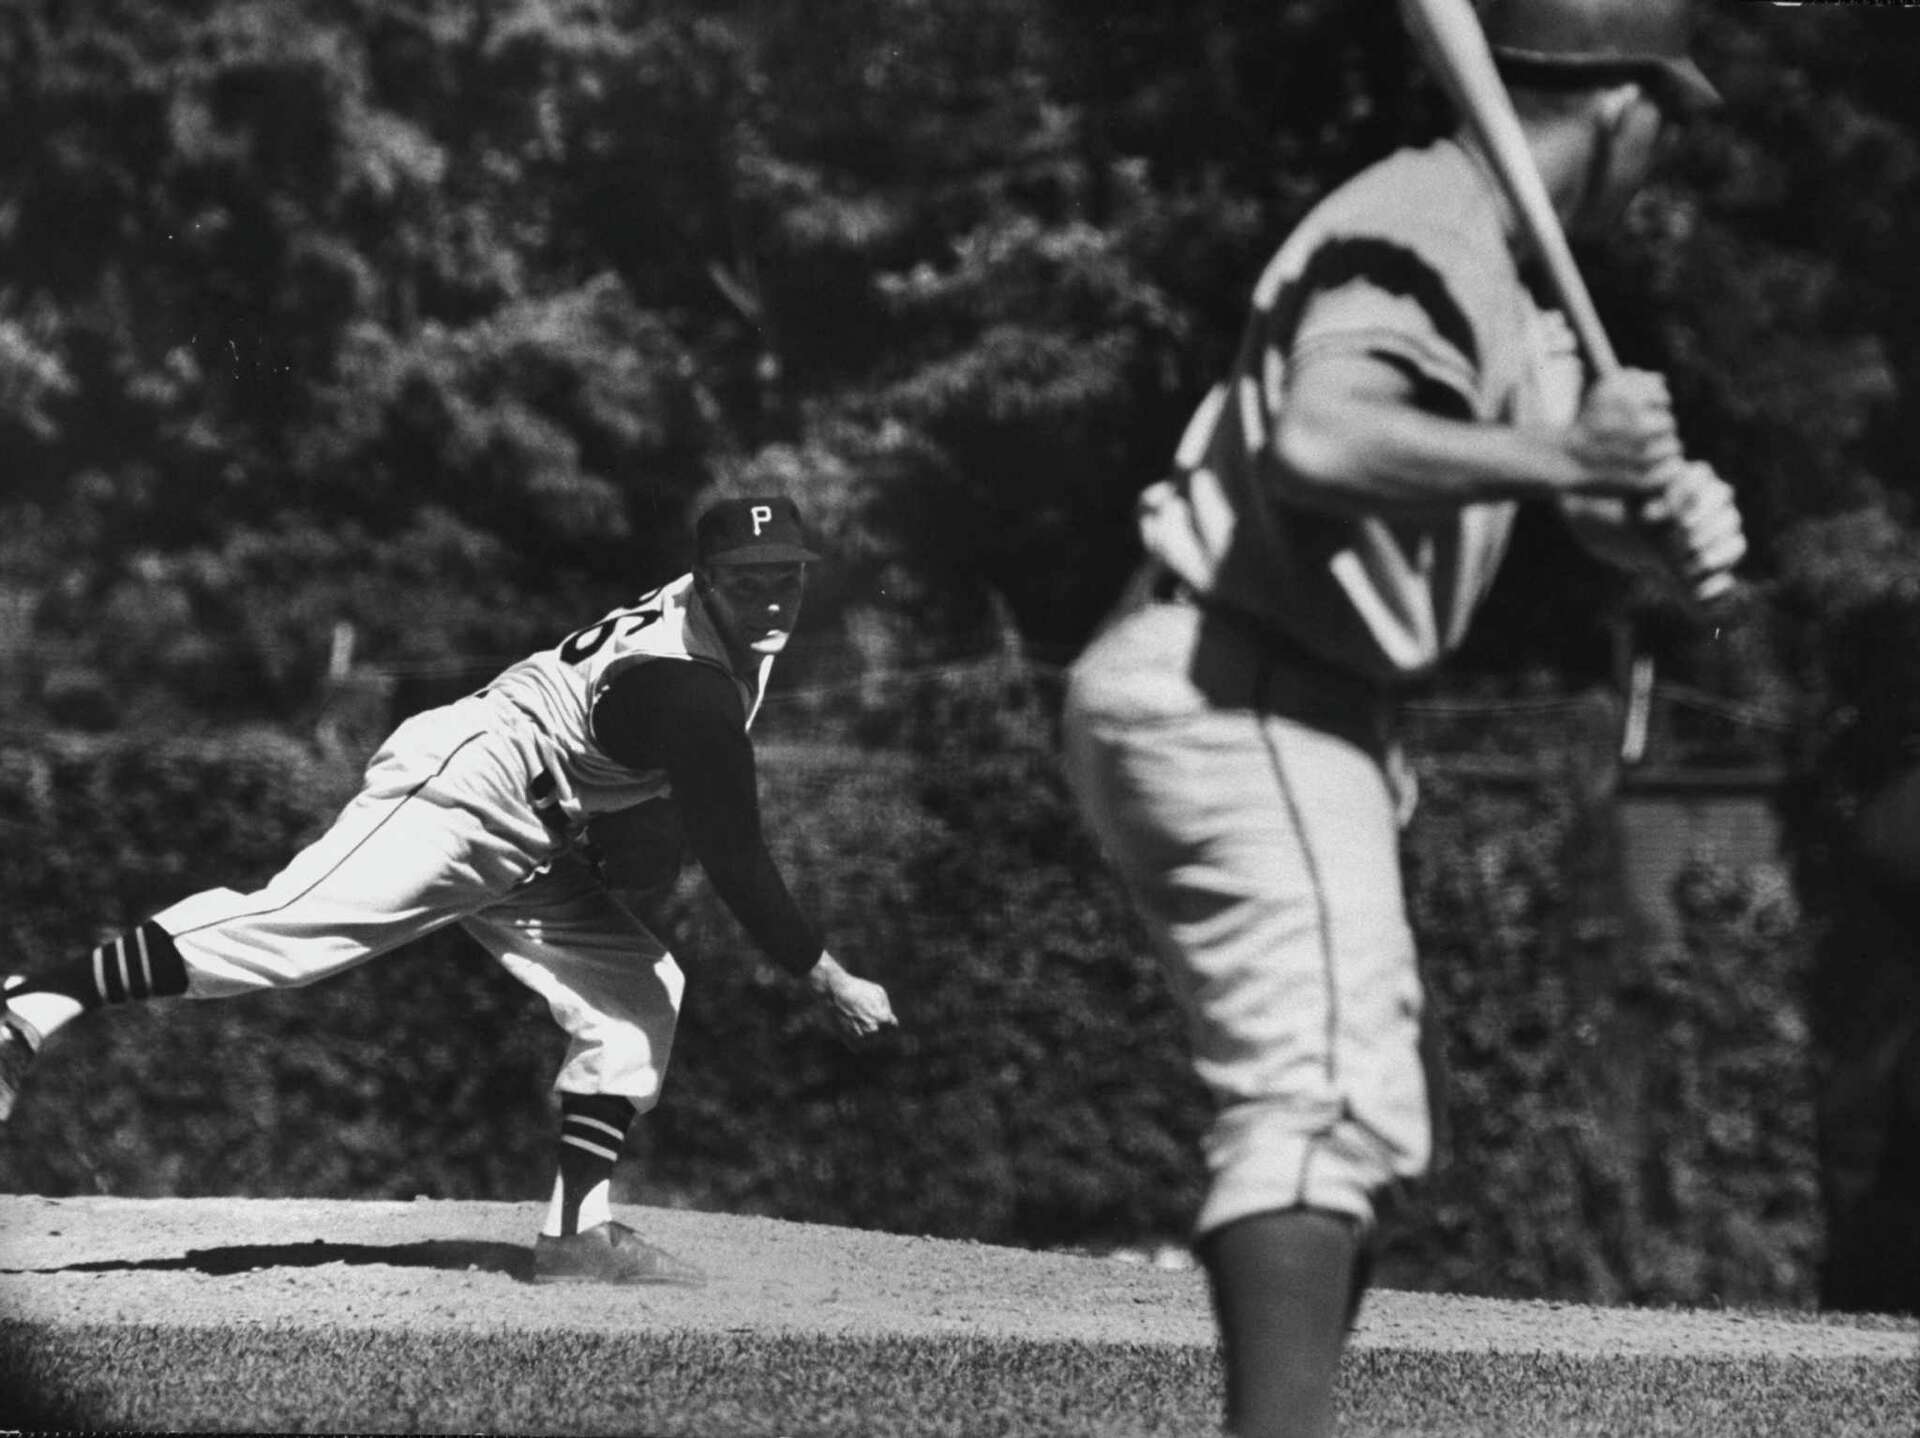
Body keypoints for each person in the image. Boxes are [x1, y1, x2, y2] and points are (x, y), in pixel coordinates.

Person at [1059, 2, 1744, 1434]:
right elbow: (1327, 437)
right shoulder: (1429, 219)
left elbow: (1559, 481)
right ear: (1621, 108)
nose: (1670, 159)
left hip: (1277, 694)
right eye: (1670, 122)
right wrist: (1567, 453)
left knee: (1370, 1105)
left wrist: (1662, 518)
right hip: (1240, 681)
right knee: (1321, 1104)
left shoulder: (1500, 275)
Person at [0, 495, 898, 1285]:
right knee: (286, 930)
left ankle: (575, 1238)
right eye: (748, 578)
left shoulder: (738, 636)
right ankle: (29, 1006)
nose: (773, 593)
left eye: (787, 572)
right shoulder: (691, 685)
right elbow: (735, 856)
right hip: (471, 785)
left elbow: (655, 799)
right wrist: (831, 977)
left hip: (540, 828)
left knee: (638, 994)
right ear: (704, 580)